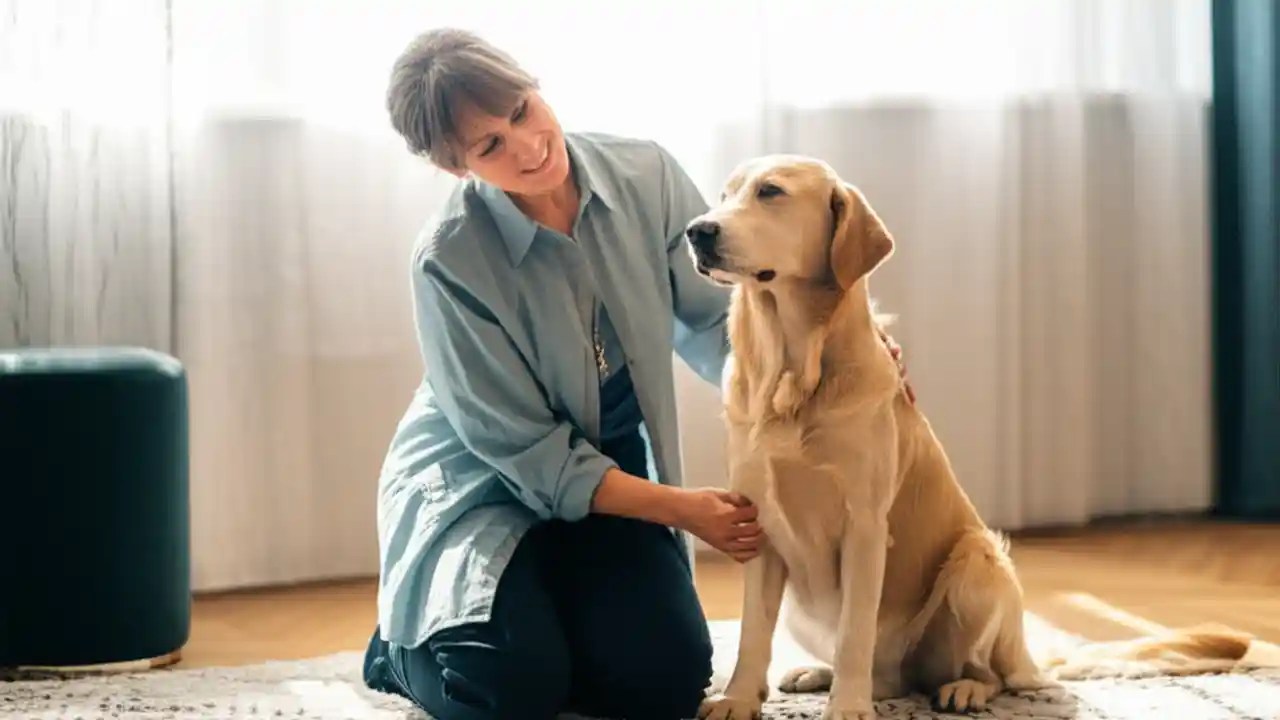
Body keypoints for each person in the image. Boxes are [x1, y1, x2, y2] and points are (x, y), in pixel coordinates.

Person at [362, 28, 911, 720]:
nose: (529, 145)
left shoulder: (643, 173)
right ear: (456, 168)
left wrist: (839, 367)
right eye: (490, 145)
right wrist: (685, 509)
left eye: (524, 110)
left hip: (607, 470)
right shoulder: (448, 259)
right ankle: (400, 648)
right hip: (487, 482)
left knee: (662, 685)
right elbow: (524, 453)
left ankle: (547, 616)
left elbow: (719, 320)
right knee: (504, 694)